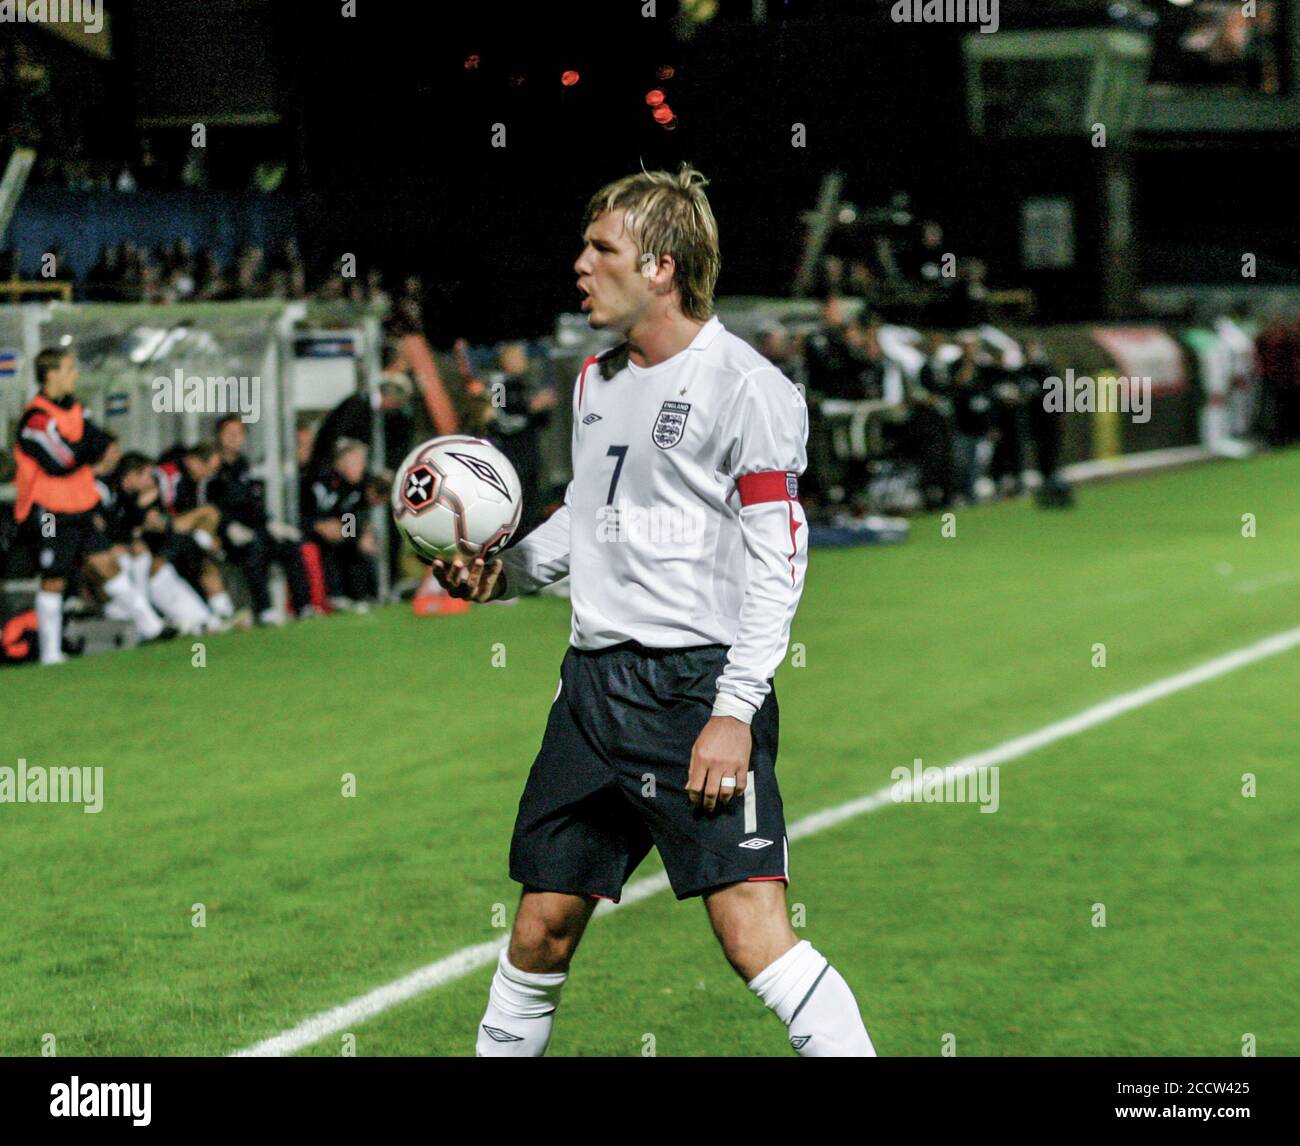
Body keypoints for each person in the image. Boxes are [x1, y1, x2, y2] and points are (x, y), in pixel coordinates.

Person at [430, 164, 877, 1058]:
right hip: (591, 691)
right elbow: (589, 529)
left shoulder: (747, 387)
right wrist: (506, 574)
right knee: (539, 931)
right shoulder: (598, 381)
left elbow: (779, 563)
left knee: (753, 938)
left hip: (693, 693)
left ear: (663, 267)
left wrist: (733, 712)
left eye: (604, 249)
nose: (581, 265)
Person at [12, 348, 166, 663]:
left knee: (106, 564)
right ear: (51, 374)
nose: (75, 375)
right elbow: (61, 461)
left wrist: (81, 446)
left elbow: (97, 444)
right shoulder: (35, 419)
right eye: (70, 369)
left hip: (81, 505)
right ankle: (51, 655)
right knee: (54, 576)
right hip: (49, 513)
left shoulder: (77, 409)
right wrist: (85, 447)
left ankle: (152, 627)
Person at [209, 414, 314, 624]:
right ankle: (264, 610)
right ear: (219, 437)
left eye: (239, 434)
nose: (234, 438)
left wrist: (270, 523)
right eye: (229, 434)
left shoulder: (244, 465)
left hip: (254, 529)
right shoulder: (213, 467)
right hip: (228, 535)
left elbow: (254, 503)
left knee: (290, 546)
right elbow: (210, 504)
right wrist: (227, 526)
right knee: (255, 549)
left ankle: (304, 606)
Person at [300, 438, 378, 609]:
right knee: (331, 544)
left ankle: (362, 595)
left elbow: (352, 513)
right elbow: (301, 512)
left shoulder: (355, 486)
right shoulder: (317, 478)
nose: (361, 466)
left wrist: (362, 532)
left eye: (362, 461)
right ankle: (335, 595)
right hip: (312, 529)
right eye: (357, 461)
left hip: (339, 527)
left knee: (355, 540)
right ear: (341, 461)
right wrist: (319, 524)